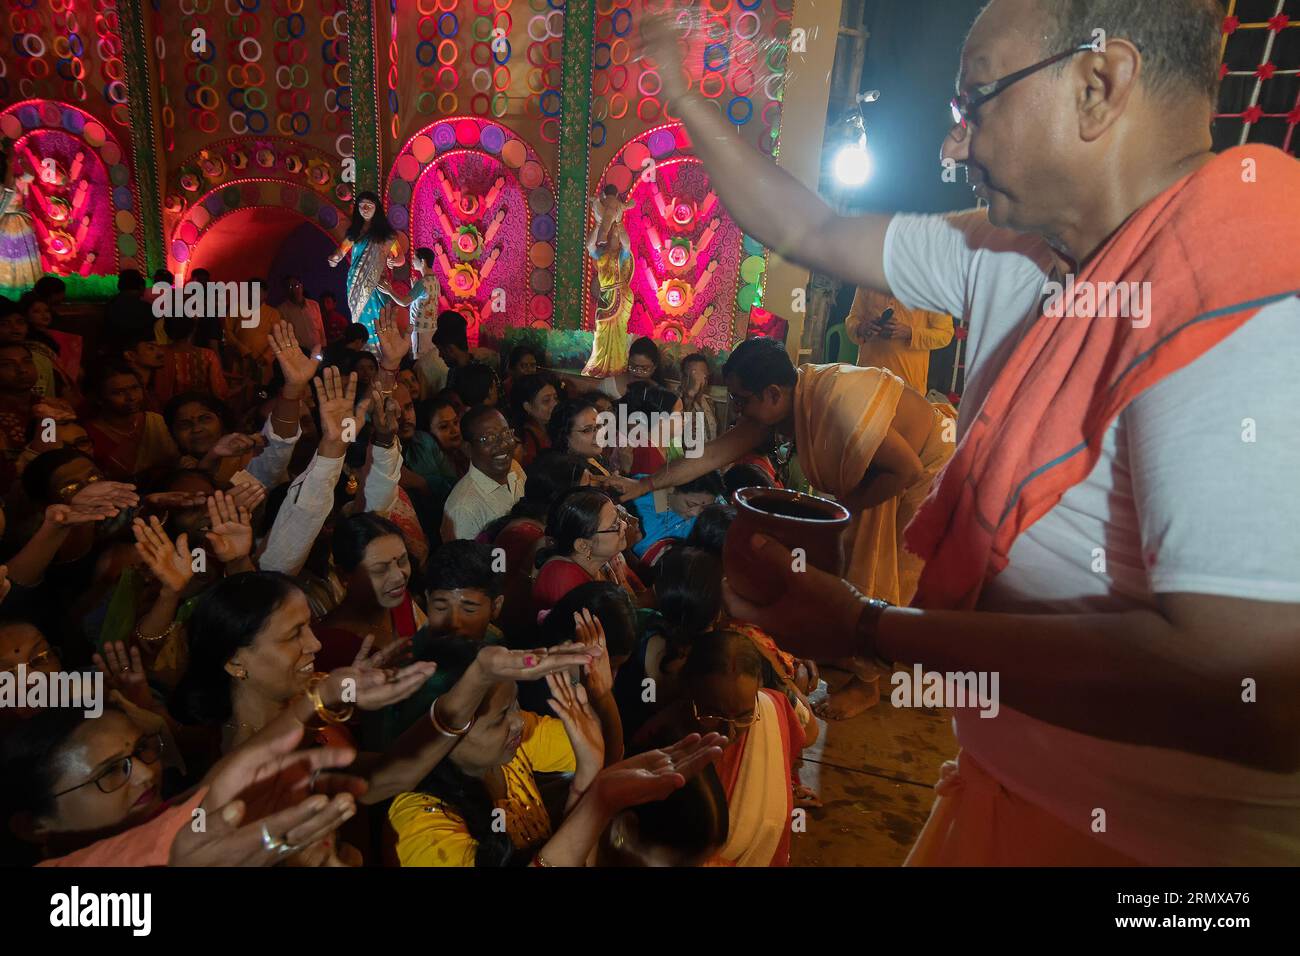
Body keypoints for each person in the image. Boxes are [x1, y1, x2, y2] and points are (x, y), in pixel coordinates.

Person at [644, 0, 1300, 864]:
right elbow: (810, 228)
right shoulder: (1010, 249)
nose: (954, 146)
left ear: (1098, 85)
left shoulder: (1242, 288)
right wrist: (685, 100)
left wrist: (873, 630)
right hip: (1003, 789)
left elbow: (1239, 679)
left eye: (976, 103)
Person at [618, 337, 955, 719]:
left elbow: (905, 469)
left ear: (773, 394)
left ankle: (868, 683)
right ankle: (859, 654)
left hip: (924, 474)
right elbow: (710, 456)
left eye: (743, 399)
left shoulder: (835, 403)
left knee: (876, 569)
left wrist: (840, 512)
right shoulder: (786, 404)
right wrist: (642, 485)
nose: (738, 408)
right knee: (855, 567)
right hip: (883, 478)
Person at [386, 633, 620, 866]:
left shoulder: (514, 744)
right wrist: (588, 781)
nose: (518, 721)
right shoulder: (420, 823)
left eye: (516, 704)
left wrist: (599, 693)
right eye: (499, 718)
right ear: (446, 734)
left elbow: (602, 752)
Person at [633, 628, 804, 866]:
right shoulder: (655, 744)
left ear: (758, 690)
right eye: (712, 715)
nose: (730, 733)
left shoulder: (774, 709)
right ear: (688, 689)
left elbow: (793, 751)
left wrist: (791, 785)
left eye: (745, 716)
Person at [314, 513, 427, 672]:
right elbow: (342, 696)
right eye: (380, 569)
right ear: (344, 576)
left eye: (402, 561)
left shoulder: (399, 600)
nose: (398, 576)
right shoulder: (329, 644)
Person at [532, 487, 641, 613]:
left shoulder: (603, 562)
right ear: (583, 546)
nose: (625, 525)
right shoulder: (564, 579)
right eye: (615, 525)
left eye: (619, 518)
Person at [82, 360, 179, 483]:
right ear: (99, 398)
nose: (131, 397)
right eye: (118, 392)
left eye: (135, 388)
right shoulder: (88, 434)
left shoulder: (157, 422)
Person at [328, 191, 404, 344]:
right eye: (362, 206)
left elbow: (401, 258)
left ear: (377, 208)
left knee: (380, 318)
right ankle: (362, 349)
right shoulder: (354, 233)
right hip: (355, 283)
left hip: (377, 284)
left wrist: (394, 262)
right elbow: (340, 253)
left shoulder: (387, 236)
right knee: (360, 319)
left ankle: (383, 350)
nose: (365, 209)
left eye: (369, 206)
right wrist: (333, 259)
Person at [441, 405, 526, 541]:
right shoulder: (464, 509)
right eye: (489, 439)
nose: (503, 444)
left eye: (506, 434)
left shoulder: (514, 468)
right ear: (468, 449)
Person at [846, 288, 954, 394]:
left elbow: (945, 334)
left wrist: (910, 333)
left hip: (907, 386)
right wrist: (861, 328)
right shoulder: (868, 279)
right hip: (868, 378)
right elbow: (852, 319)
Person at [624, 471, 724, 561]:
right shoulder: (637, 495)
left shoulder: (700, 520)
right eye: (691, 504)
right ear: (672, 487)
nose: (696, 513)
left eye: (704, 507)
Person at [582, 215, 635, 377]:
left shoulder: (622, 255)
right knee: (601, 332)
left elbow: (627, 244)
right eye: (611, 234)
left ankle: (616, 368)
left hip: (620, 296)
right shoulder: (601, 255)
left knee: (618, 332)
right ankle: (598, 365)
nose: (613, 237)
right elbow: (589, 245)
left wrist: (619, 223)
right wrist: (599, 224)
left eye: (616, 235)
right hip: (605, 296)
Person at [0, 138, 41, 297]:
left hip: (21, 224)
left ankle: (27, 292)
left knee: (23, 257)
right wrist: (11, 162)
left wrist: (22, 160)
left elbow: (29, 176)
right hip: (4, 225)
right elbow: (8, 190)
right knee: (7, 258)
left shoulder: (17, 181)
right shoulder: (6, 186)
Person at [156, 314, 229, 403]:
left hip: (162, 412)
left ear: (166, 329)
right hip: (198, 409)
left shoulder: (157, 352)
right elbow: (219, 393)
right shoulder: (208, 355)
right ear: (193, 329)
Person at [508, 373, 558, 468]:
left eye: (555, 398)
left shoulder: (551, 428)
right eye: (546, 400)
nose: (554, 404)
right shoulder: (525, 440)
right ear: (528, 407)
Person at [277, 276, 325, 357]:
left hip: (317, 349)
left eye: (296, 286)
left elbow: (320, 328)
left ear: (301, 286)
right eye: (290, 287)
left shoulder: (314, 305)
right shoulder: (282, 310)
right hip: (299, 353)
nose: (293, 290)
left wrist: (323, 345)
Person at [678, 352, 719, 443]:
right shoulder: (673, 401)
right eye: (695, 376)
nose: (700, 380)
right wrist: (690, 396)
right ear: (683, 377)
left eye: (704, 376)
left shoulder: (709, 401)